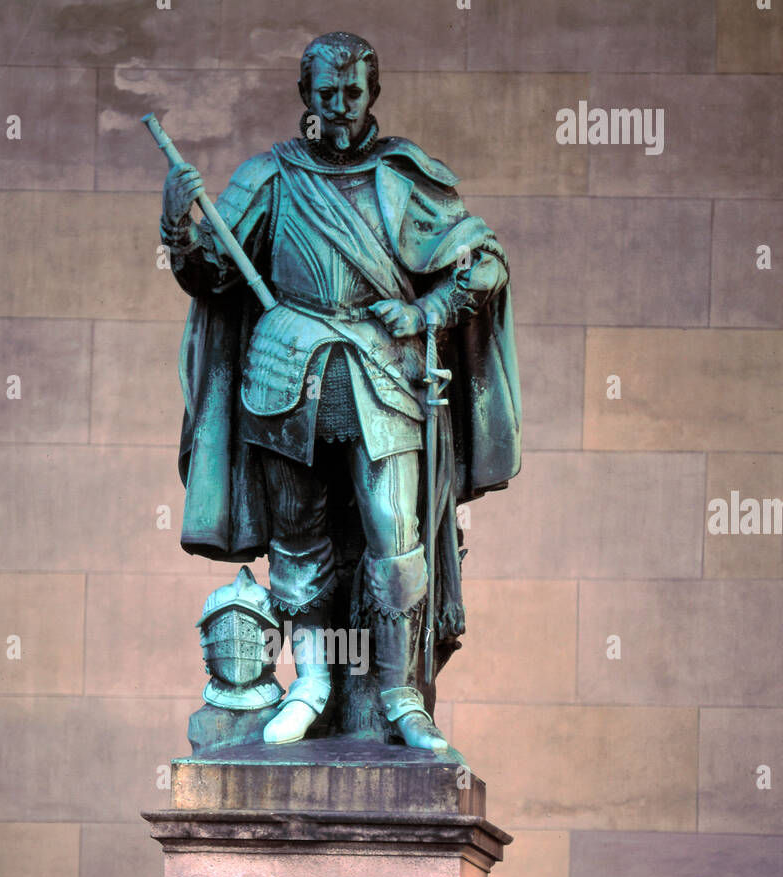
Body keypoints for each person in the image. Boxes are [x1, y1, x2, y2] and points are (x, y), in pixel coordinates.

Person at [161, 31, 521, 748]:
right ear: (306, 96)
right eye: (326, 93)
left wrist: (427, 312)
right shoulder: (269, 176)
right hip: (286, 369)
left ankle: (397, 696)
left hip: (383, 368)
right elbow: (214, 272)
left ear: (372, 94)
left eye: (352, 92)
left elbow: (483, 266)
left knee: (396, 535)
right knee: (297, 540)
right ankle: (313, 681)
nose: (339, 106)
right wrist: (178, 222)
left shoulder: (406, 176)